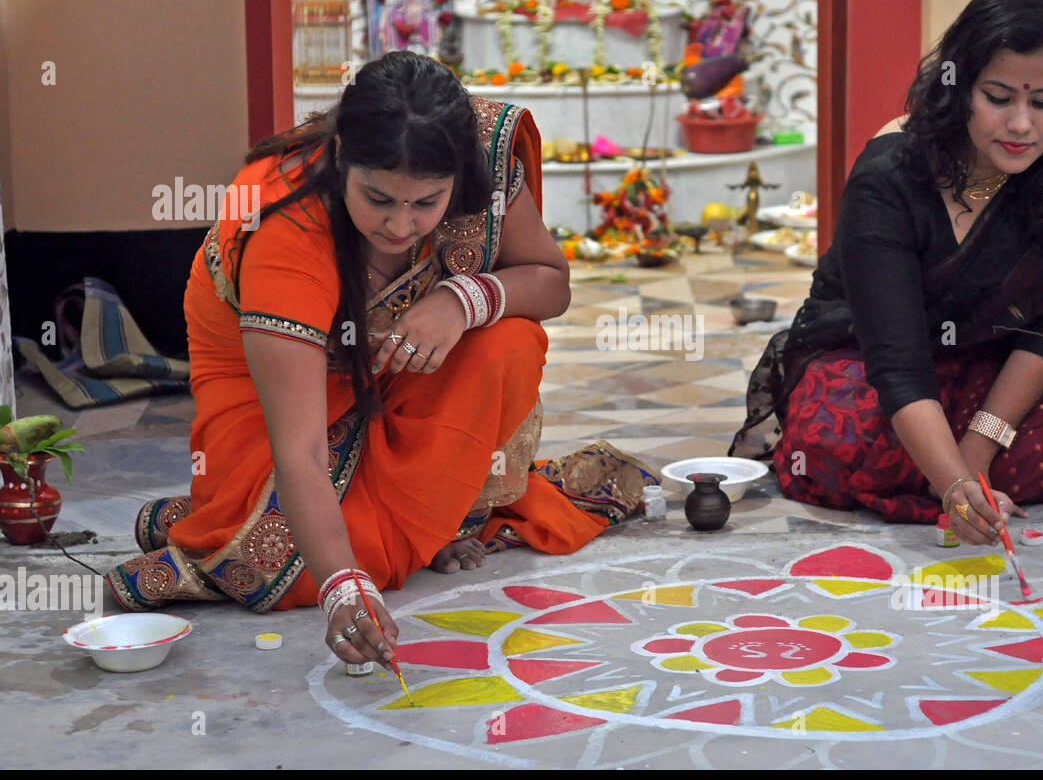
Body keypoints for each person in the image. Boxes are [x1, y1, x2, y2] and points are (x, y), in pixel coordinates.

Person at [108, 51, 658, 672]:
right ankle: (398, 525)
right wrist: (344, 588)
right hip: (280, 394)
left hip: (399, 365)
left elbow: (551, 284)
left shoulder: (484, 157)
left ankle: (429, 516)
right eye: (378, 199)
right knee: (274, 565)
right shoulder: (283, 226)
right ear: (342, 154)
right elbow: (303, 455)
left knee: (509, 341)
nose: (401, 225)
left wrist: (465, 297)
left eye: (427, 203)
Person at [730, 0, 1043, 547]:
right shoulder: (890, 178)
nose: (1022, 125)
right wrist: (955, 486)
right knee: (837, 442)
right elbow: (898, 362)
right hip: (868, 355)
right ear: (959, 88)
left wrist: (974, 458)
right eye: (998, 98)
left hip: (996, 362)